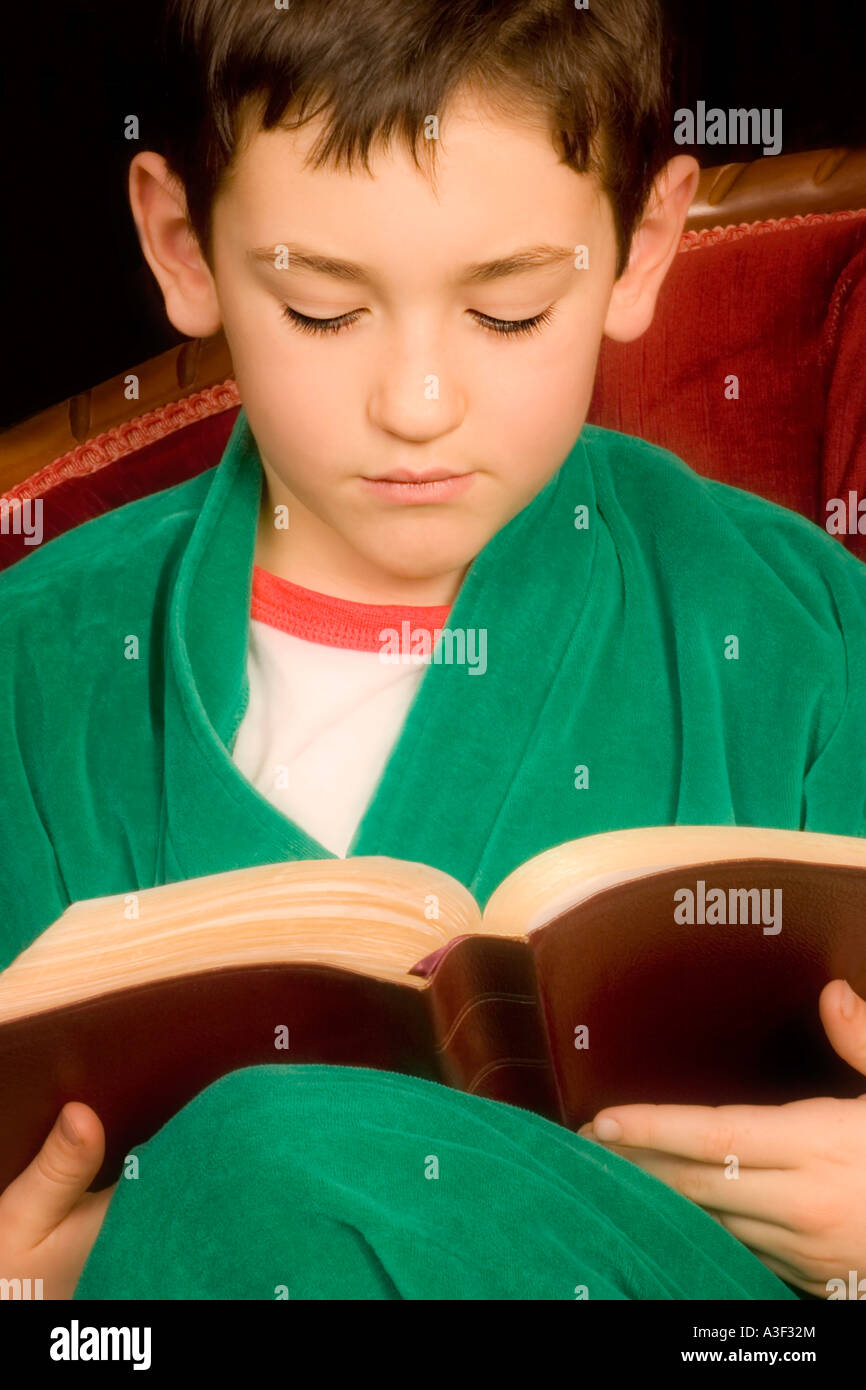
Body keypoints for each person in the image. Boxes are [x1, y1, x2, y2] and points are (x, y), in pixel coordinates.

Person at [1, 0, 865, 1300]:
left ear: (640, 249)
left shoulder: (796, 623)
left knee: (253, 1150)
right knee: (249, 1166)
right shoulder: (39, 671)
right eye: (320, 309)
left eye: (508, 312)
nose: (416, 404)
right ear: (185, 248)